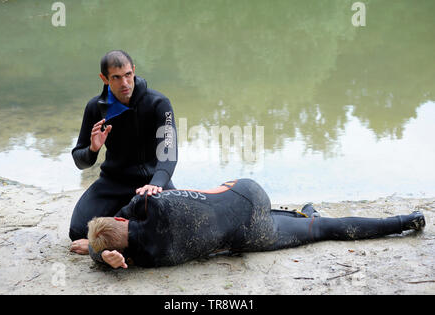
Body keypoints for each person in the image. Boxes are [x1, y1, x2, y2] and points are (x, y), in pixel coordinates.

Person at [82, 178, 425, 269]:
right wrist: (98, 243)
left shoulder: (147, 260)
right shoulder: (151, 201)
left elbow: (108, 255)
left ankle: (403, 222)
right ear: (118, 218)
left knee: (324, 231)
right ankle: (309, 212)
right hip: (245, 192)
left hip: (250, 236)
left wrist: (99, 255)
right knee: (217, 209)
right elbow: (129, 211)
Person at [69, 50, 178, 248]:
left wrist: (156, 183)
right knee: (77, 231)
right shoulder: (96, 107)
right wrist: (92, 149)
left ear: (134, 71)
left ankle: (105, 241)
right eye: (116, 78)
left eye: (128, 75)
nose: (125, 83)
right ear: (104, 79)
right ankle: (118, 234)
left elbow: (169, 154)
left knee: (171, 229)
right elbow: (80, 160)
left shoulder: (159, 103)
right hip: (113, 182)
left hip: (152, 182)